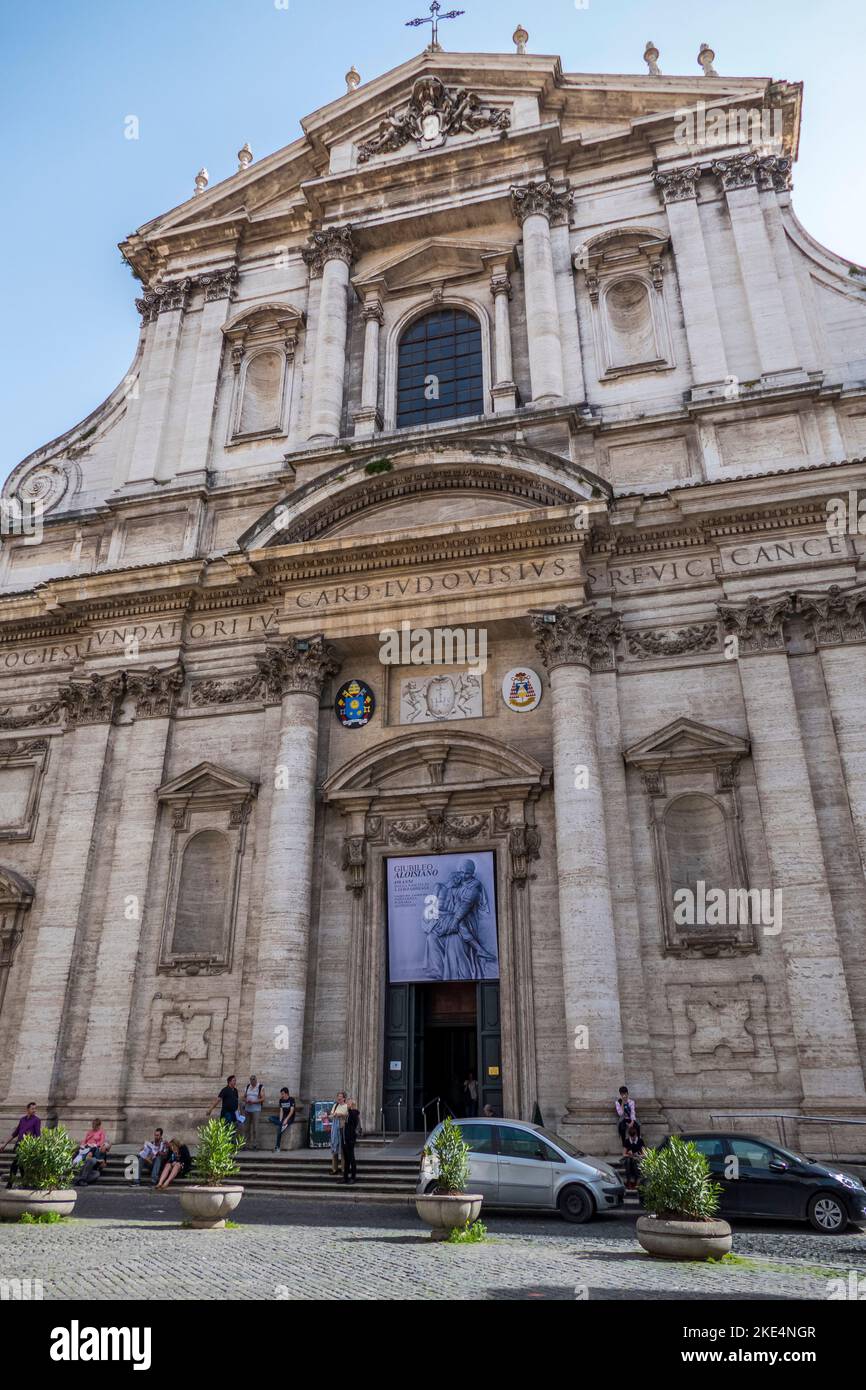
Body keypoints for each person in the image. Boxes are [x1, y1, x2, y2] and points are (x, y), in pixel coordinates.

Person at [2, 1102, 42, 1188]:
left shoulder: (37, 1120)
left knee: (15, 1164)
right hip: (19, 1145)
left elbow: (38, 1135)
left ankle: (10, 1183)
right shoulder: (22, 1119)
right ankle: (25, 1183)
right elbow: (15, 1133)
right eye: (32, 1109)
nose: (34, 1110)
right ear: (27, 1109)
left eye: (35, 1108)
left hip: (27, 1147)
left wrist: (37, 1148)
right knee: (21, 1165)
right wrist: (5, 1144)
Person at [242, 1075, 265, 1150]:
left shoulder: (260, 1087)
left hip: (256, 1110)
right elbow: (243, 1097)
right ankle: (246, 1145)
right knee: (246, 1128)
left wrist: (254, 1102)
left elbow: (263, 1098)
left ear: (256, 1080)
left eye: (253, 1080)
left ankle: (255, 1145)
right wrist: (246, 1100)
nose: (252, 1081)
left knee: (255, 1128)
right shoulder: (248, 1086)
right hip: (247, 1109)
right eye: (251, 1080)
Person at [328, 1092, 348, 1175]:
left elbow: (347, 1115)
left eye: (340, 1097)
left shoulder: (346, 1106)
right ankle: (334, 1169)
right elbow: (331, 1115)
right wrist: (332, 1115)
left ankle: (343, 1169)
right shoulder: (335, 1105)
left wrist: (341, 1114)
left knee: (343, 1149)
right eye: (338, 1097)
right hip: (335, 1129)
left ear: (344, 1098)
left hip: (342, 1128)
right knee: (334, 1148)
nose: (339, 1098)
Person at [622, 1120, 645, 1190]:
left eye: (634, 1136)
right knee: (628, 1161)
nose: (632, 1138)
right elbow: (624, 1154)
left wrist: (637, 1155)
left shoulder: (640, 1141)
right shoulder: (627, 1141)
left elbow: (644, 1154)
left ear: (636, 1134)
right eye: (631, 1136)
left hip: (637, 1158)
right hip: (629, 1158)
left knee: (635, 1161)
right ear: (629, 1135)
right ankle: (628, 1182)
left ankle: (636, 1181)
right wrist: (629, 1154)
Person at [343, 1098, 361, 1184]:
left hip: (350, 1139)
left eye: (348, 1103)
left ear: (352, 1104)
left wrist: (349, 1108)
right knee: (346, 1159)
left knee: (351, 1159)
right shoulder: (348, 1113)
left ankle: (353, 1177)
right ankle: (345, 1177)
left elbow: (353, 1124)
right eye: (347, 1102)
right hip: (345, 1138)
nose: (346, 1104)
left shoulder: (354, 1113)